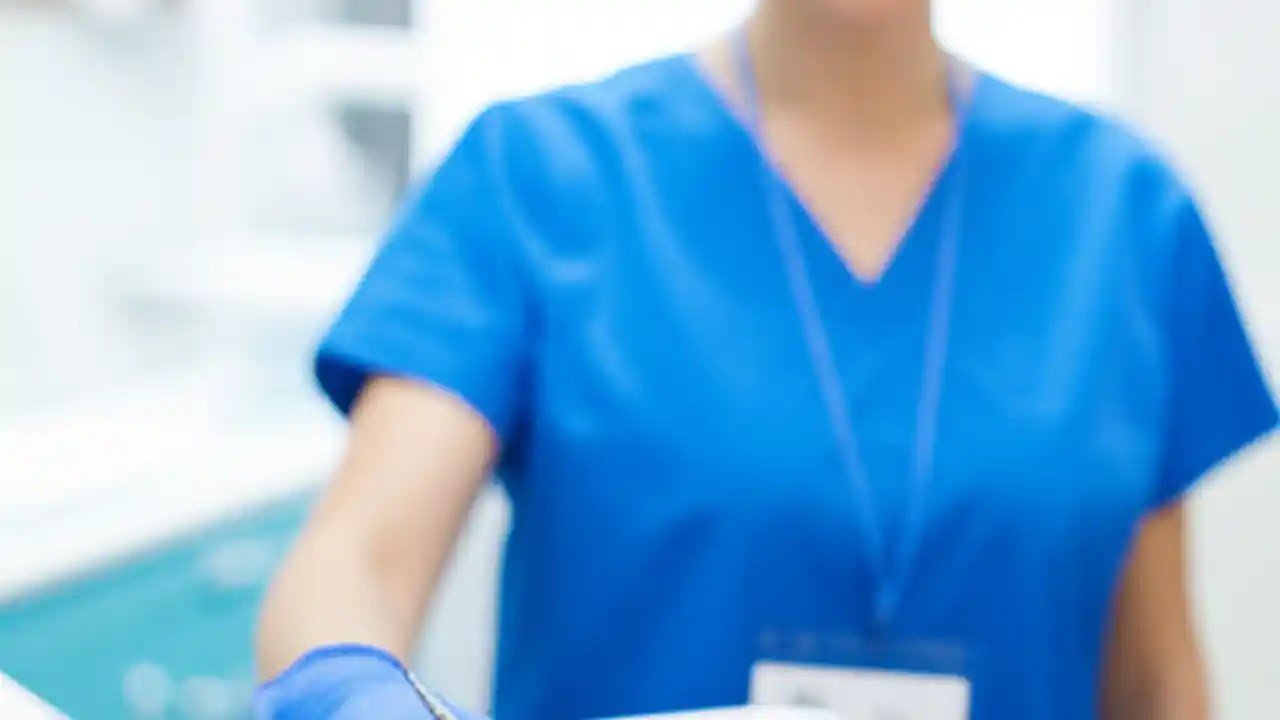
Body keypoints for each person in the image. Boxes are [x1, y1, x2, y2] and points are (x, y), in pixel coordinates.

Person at [253, 0, 1278, 718]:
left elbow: (1152, 683)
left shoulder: (1123, 212)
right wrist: (353, 692)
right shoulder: (537, 177)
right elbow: (361, 558)